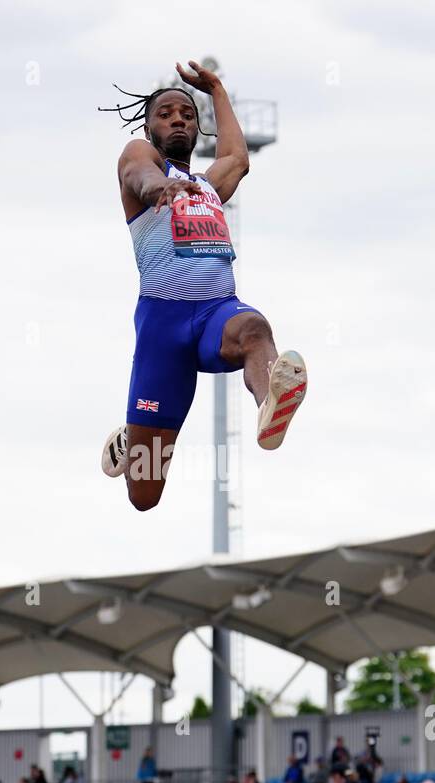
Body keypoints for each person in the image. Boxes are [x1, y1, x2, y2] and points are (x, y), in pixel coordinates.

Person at [97, 61, 308, 511]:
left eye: (188, 115)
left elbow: (238, 159)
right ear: (150, 127)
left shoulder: (208, 187)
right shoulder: (138, 155)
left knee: (254, 329)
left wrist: (215, 90)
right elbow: (139, 173)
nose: (178, 119)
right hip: (163, 329)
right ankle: (133, 434)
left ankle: (272, 399)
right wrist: (159, 190)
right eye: (167, 114)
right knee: (145, 495)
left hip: (217, 313)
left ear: (197, 131)